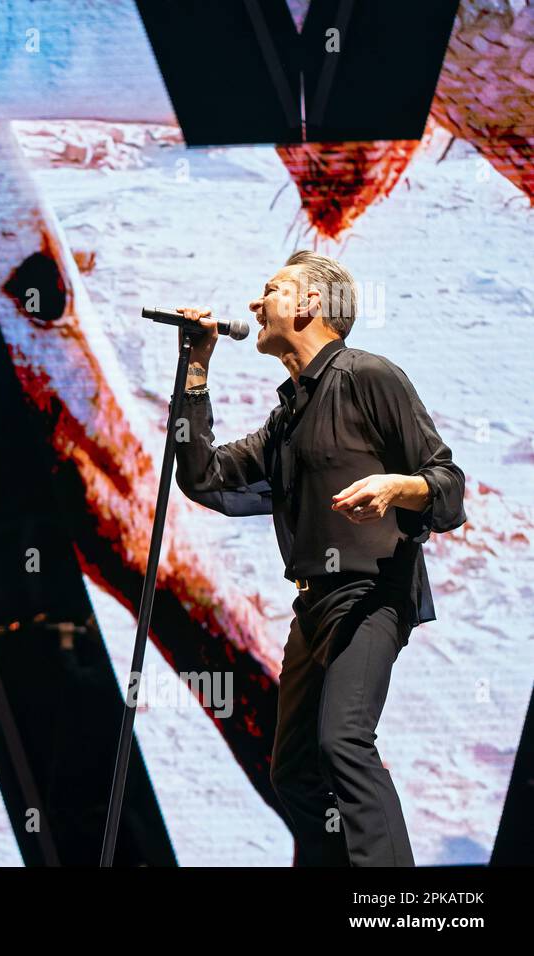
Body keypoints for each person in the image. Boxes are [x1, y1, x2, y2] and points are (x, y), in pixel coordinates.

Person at [173, 250, 465, 866]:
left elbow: (447, 482)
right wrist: (196, 371)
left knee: (344, 741)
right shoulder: (287, 418)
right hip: (312, 608)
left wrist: (396, 486)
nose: (256, 303)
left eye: (271, 290)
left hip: (373, 593)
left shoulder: (368, 376)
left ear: (309, 304)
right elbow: (205, 478)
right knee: (294, 772)